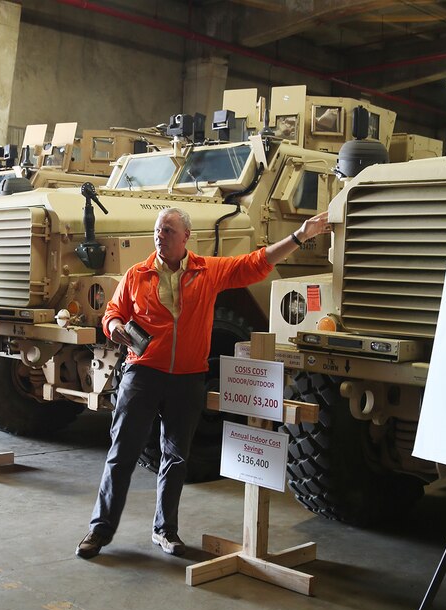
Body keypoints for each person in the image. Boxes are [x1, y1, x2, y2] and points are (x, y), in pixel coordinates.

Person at [76, 206, 329, 559]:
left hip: (188, 378)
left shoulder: (207, 271)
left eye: (167, 230)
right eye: (157, 230)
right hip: (142, 374)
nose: (160, 236)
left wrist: (300, 235)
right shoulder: (136, 274)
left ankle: (165, 530)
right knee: (122, 454)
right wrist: (114, 326)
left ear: (186, 237)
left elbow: (256, 263)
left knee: (176, 457)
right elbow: (113, 313)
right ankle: (99, 531)